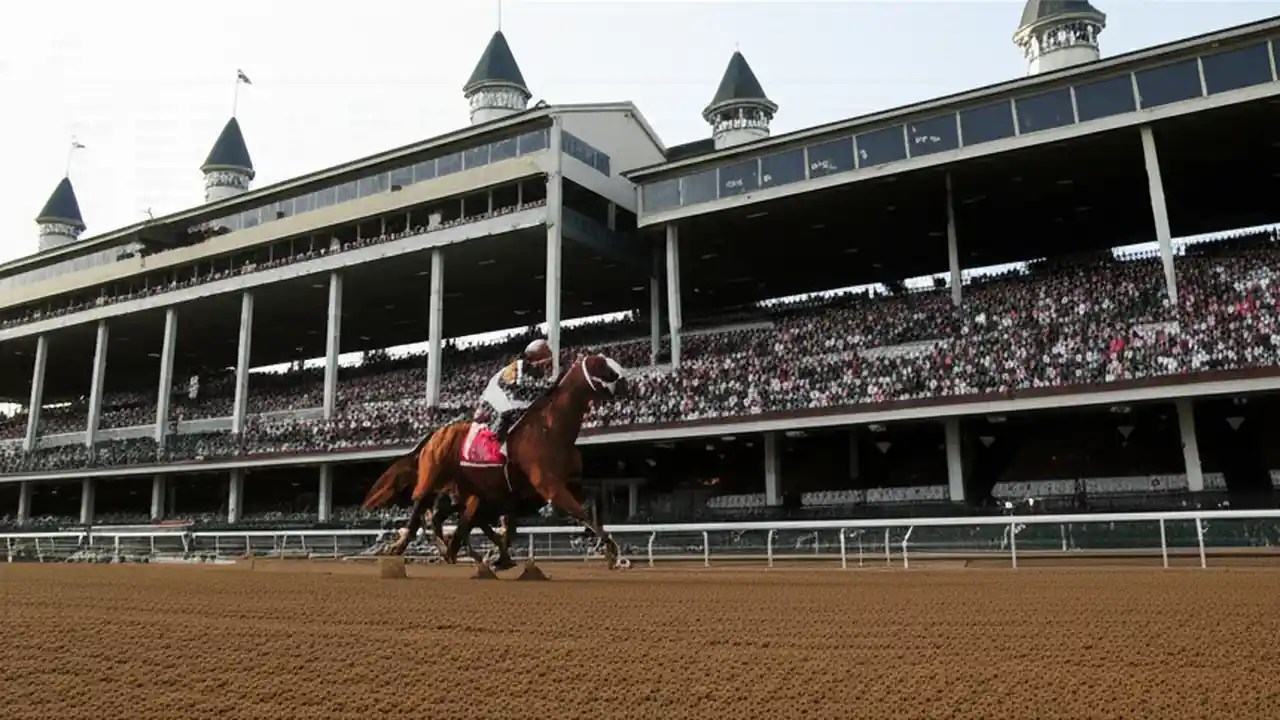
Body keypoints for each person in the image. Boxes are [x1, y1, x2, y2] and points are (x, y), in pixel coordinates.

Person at [474, 338, 556, 451]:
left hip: (510, 396)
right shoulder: (519, 365)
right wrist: (552, 386)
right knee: (508, 414)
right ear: (535, 360)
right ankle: (492, 448)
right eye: (546, 363)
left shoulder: (535, 371)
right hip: (494, 400)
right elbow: (526, 385)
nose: (548, 367)